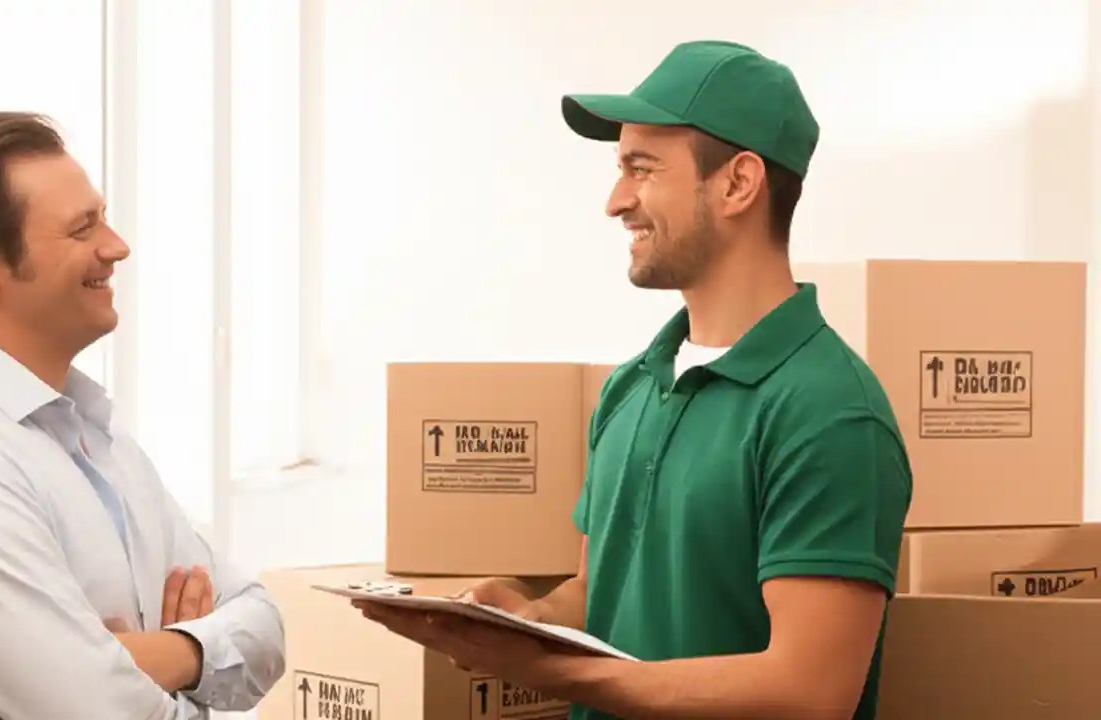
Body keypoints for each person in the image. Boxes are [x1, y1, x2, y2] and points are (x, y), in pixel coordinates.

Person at [354, 40, 912, 720]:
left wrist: (554, 672)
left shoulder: (829, 412)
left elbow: (807, 692)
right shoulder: (631, 390)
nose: (616, 202)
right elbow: (600, 592)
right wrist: (525, 617)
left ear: (738, 183)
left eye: (640, 169)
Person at [0, 112, 285, 719]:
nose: (116, 246)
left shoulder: (94, 438)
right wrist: (174, 670)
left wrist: (168, 653)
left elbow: (264, 630)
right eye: (83, 228)